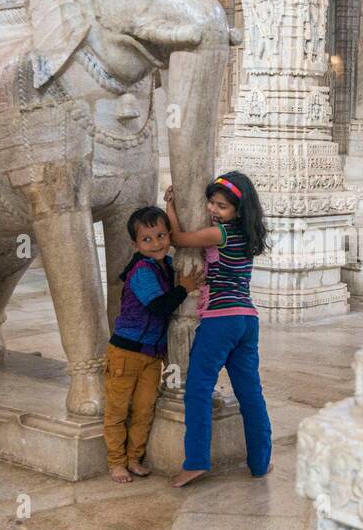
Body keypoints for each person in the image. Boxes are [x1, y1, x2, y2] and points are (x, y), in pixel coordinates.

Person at [163, 173, 273, 487]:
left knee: (197, 389)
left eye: (221, 206)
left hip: (221, 320)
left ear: (238, 210)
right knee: (251, 393)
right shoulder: (249, 236)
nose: (213, 209)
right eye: (211, 202)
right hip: (247, 320)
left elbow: (178, 239)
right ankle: (259, 462)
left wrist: (170, 206)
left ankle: (196, 461)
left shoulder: (219, 234)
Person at [104, 206, 201, 483]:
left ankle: (134, 458)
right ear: (135, 245)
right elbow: (159, 307)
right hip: (125, 352)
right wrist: (183, 288)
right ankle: (116, 462)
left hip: (151, 355)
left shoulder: (166, 265)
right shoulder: (142, 271)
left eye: (161, 235)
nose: (157, 243)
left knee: (145, 409)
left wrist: (172, 205)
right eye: (147, 239)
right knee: (118, 409)